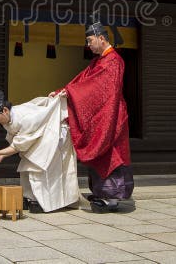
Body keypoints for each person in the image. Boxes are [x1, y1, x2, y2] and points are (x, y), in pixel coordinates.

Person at [49, 20, 133, 212]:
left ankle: (112, 198)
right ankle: (102, 193)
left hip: (112, 116)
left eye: (90, 40)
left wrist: (71, 93)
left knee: (111, 154)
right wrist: (64, 91)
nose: (88, 45)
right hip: (102, 114)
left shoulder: (114, 61)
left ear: (101, 38)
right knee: (100, 153)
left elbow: (100, 88)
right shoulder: (99, 61)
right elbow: (83, 81)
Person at [0, 87, 79, 213]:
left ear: (4, 110)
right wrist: (2, 155)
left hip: (53, 135)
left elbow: (19, 145)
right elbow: (18, 142)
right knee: (26, 168)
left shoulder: (25, 118)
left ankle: (41, 201)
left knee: (36, 165)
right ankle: (30, 198)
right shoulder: (10, 117)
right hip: (37, 139)